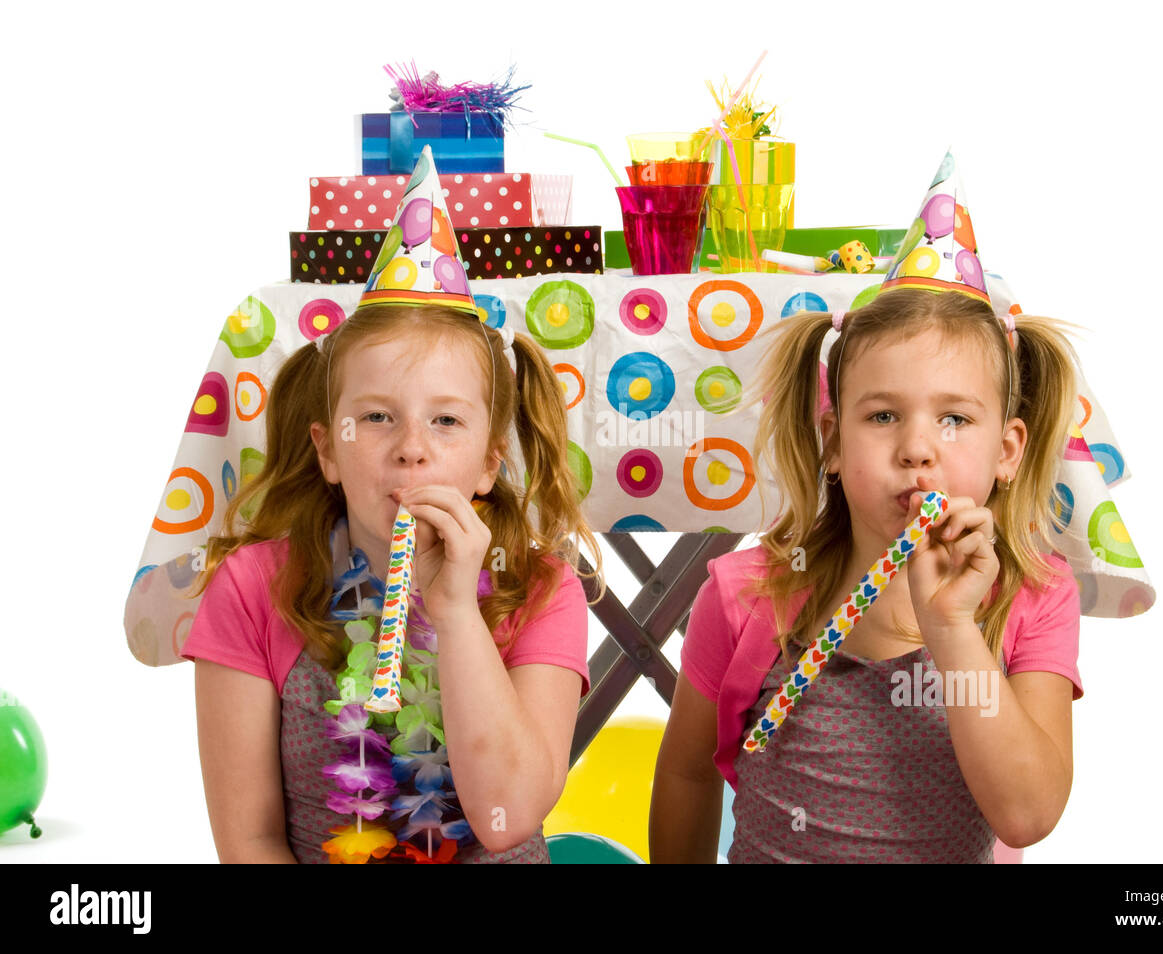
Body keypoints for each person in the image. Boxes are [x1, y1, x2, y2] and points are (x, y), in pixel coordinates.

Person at [651, 159, 1086, 864]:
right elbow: (686, 772)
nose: (917, 449)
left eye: (954, 420)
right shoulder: (747, 596)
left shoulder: (1034, 600)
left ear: (1006, 451)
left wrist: (951, 626)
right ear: (832, 440)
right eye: (883, 415)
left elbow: (1028, 812)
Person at [183, 146, 601, 863]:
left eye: (445, 422)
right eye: (377, 418)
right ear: (327, 450)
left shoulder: (544, 591)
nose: (412, 449)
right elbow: (248, 841)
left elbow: (506, 819)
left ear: (487, 464)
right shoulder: (252, 591)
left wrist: (457, 614)